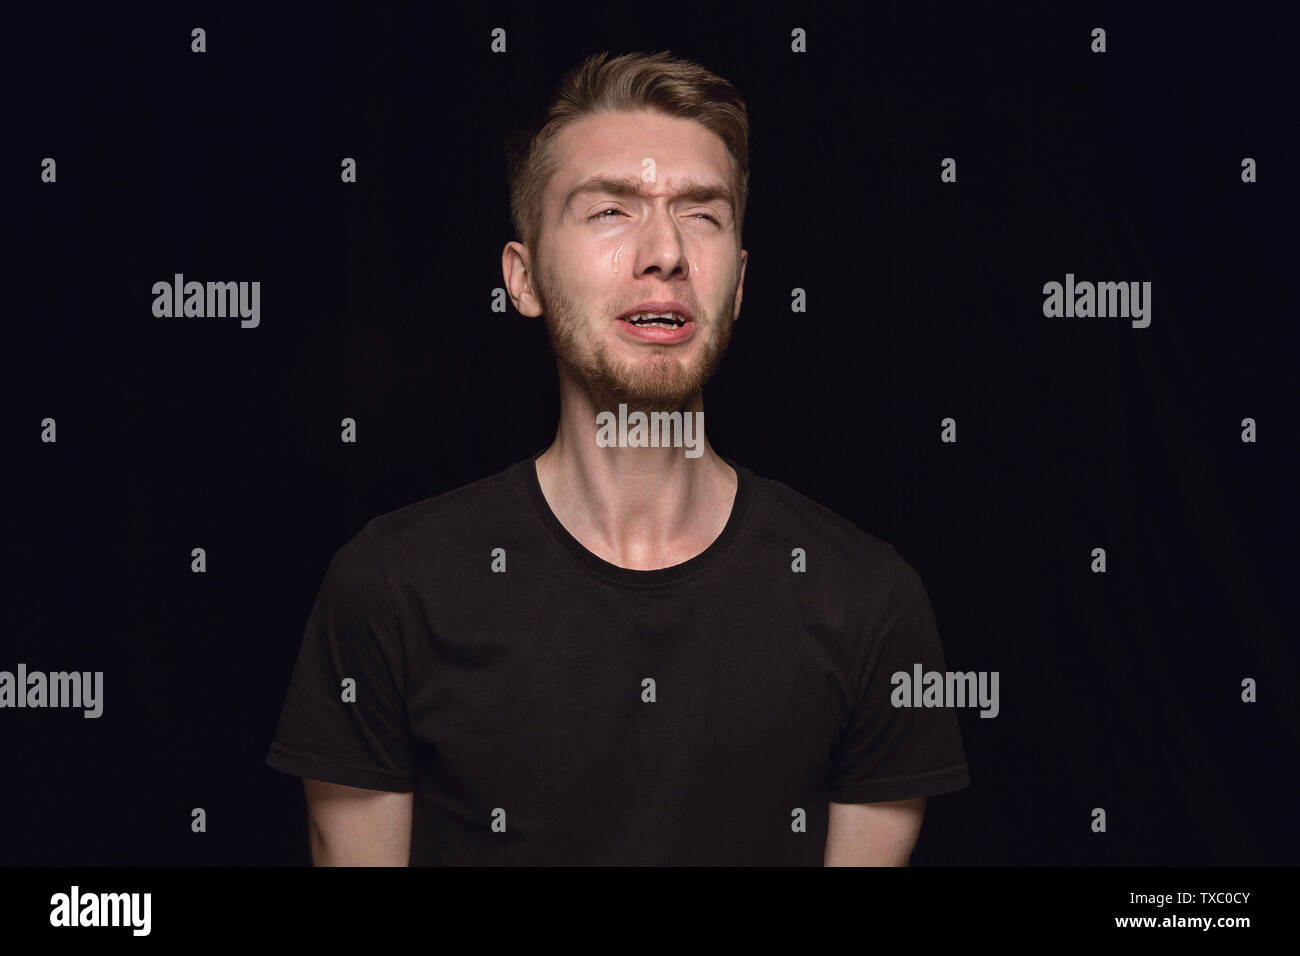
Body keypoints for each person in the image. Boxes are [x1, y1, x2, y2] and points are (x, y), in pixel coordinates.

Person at [266, 50, 970, 866]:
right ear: (523, 279)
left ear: (740, 284)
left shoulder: (868, 601)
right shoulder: (390, 588)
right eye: (610, 211)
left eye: (702, 215)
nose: (664, 252)